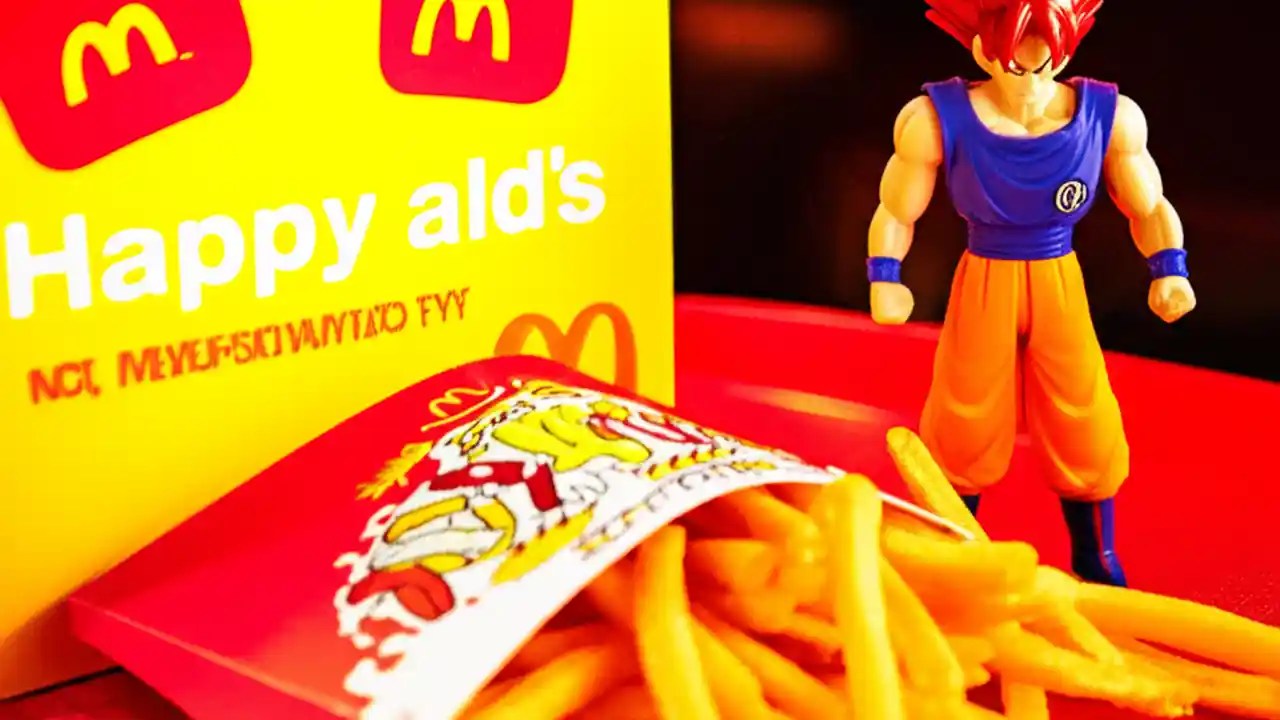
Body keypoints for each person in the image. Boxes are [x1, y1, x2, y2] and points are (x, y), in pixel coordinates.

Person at [865, 0, 1196, 586]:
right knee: (964, 415)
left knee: (1082, 410)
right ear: (979, 49)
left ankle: (1098, 558)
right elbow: (897, 207)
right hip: (983, 276)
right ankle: (954, 553)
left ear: (1066, 50)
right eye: (1016, 63)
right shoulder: (935, 117)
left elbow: (1149, 204)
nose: (1031, 80)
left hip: (1057, 275)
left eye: (1046, 61)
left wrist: (1169, 267)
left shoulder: (1111, 116)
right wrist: (886, 275)